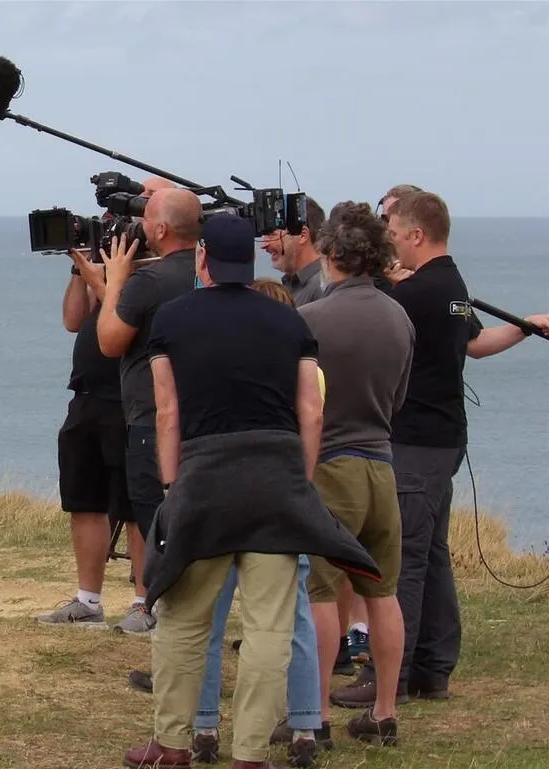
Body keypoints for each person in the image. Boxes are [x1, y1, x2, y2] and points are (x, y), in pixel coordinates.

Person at [121, 215, 380, 769]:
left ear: (203, 259)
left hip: (204, 480)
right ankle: (252, 754)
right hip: (276, 484)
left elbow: (167, 412)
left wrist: (171, 486)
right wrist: (298, 481)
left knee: (184, 620)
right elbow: (312, 411)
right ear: (250, 262)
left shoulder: (173, 318)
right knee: (269, 629)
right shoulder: (289, 321)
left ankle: (172, 744)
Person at [331, 191, 549, 707]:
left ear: (416, 234)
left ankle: (393, 675)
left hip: (415, 441)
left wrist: (385, 281)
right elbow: (473, 344)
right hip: (444, 438)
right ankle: (433, 667)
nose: (389, 242)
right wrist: (525, 327)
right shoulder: (451, 285)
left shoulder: (414, 292)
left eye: (393, 232)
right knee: (432, 555)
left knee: (403, 560)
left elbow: (359, 306)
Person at [188, 277, 329, 768]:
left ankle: (204, 722)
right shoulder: (307, 369)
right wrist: (302, 483)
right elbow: (313, 418)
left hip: (223, 494)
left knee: (209, 612)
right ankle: (305, 724)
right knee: (293, 614)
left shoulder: (228, 366)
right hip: (281, 493)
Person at [300, 201, 416, 749]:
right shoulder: (400, 319)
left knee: (321, 592)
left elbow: (300, 401)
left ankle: (317, 713)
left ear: (330, 254)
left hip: (331, 464)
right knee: (382, 592)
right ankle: (385, 711)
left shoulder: (311, 319)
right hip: (381, 463)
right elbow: (398, 398)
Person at [96, 187, 202, 635]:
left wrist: (114, 280)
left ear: (160, 229)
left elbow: (109, 341)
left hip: (151, 417)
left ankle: (166, 614)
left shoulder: (149, 282)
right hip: (202, 417)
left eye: (145, 219)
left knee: (156, 519)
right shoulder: (206, 271)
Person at [33, 242, 136, 628]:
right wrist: (81, 271)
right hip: (87, 396)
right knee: (85, 501)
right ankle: (88, 601)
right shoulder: (103, 274)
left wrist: (104, 282)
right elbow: (74, 320)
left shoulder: (150, 275)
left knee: (134, 505)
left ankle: (144, 604)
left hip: (127, 400)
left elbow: (129, 318)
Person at [259, 197, 327, 306]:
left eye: (272, 235)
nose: (264, 245)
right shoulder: (290, 286)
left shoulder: (322, 289)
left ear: (303, 235)